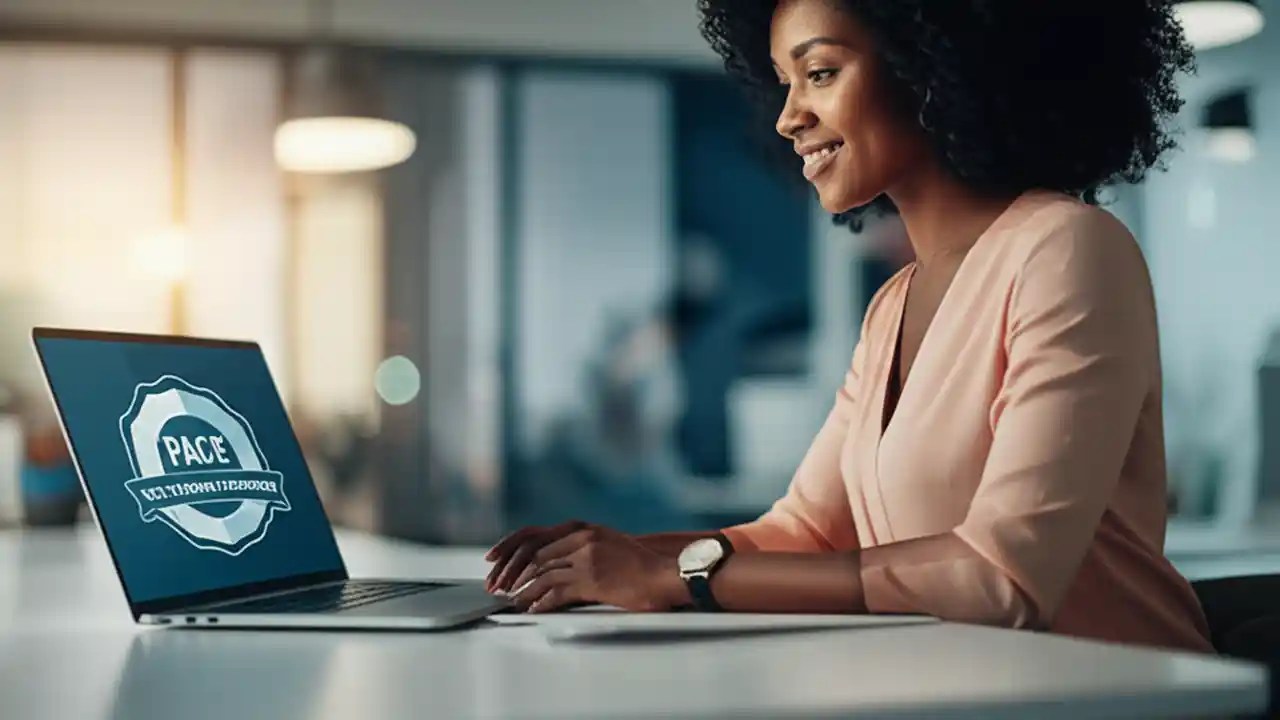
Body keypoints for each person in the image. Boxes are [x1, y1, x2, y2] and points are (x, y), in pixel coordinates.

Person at [486, 0, 1213, 652]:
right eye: (784, 82)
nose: (788, 115)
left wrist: (673, 573)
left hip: (1121, 690)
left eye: (821, 73)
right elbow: (804, 533)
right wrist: (606, 560)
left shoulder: (1068, 248)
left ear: (929, 67)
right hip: (974, 693)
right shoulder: (893, 303)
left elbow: (1001, 579)